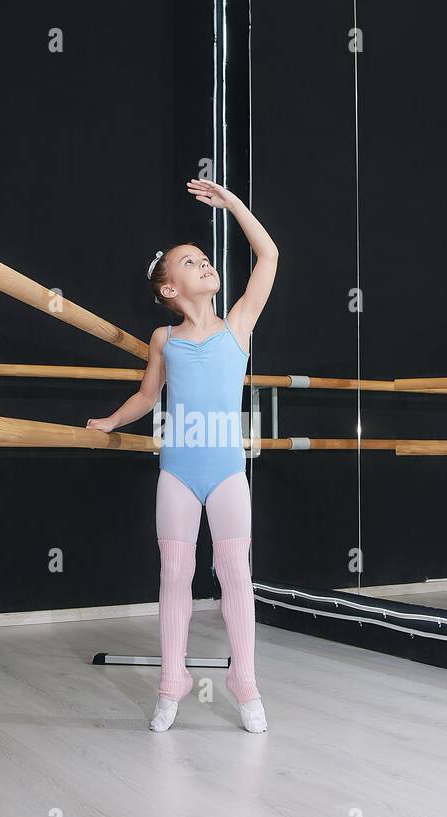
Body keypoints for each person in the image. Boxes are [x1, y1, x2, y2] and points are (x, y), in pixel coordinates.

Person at [87, 178, 278, 730]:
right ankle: (173, 679)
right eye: (190, 263)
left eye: (203, 258)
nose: (204, 263)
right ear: (171, 290)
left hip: (225, 473)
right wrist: (111, 421)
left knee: (234, 571)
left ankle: (245, 680)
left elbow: (268, 255)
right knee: (174, 572)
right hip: (177, 470)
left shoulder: (239, 326)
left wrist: (234, 204)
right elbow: (148, 397)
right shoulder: (163, 340)